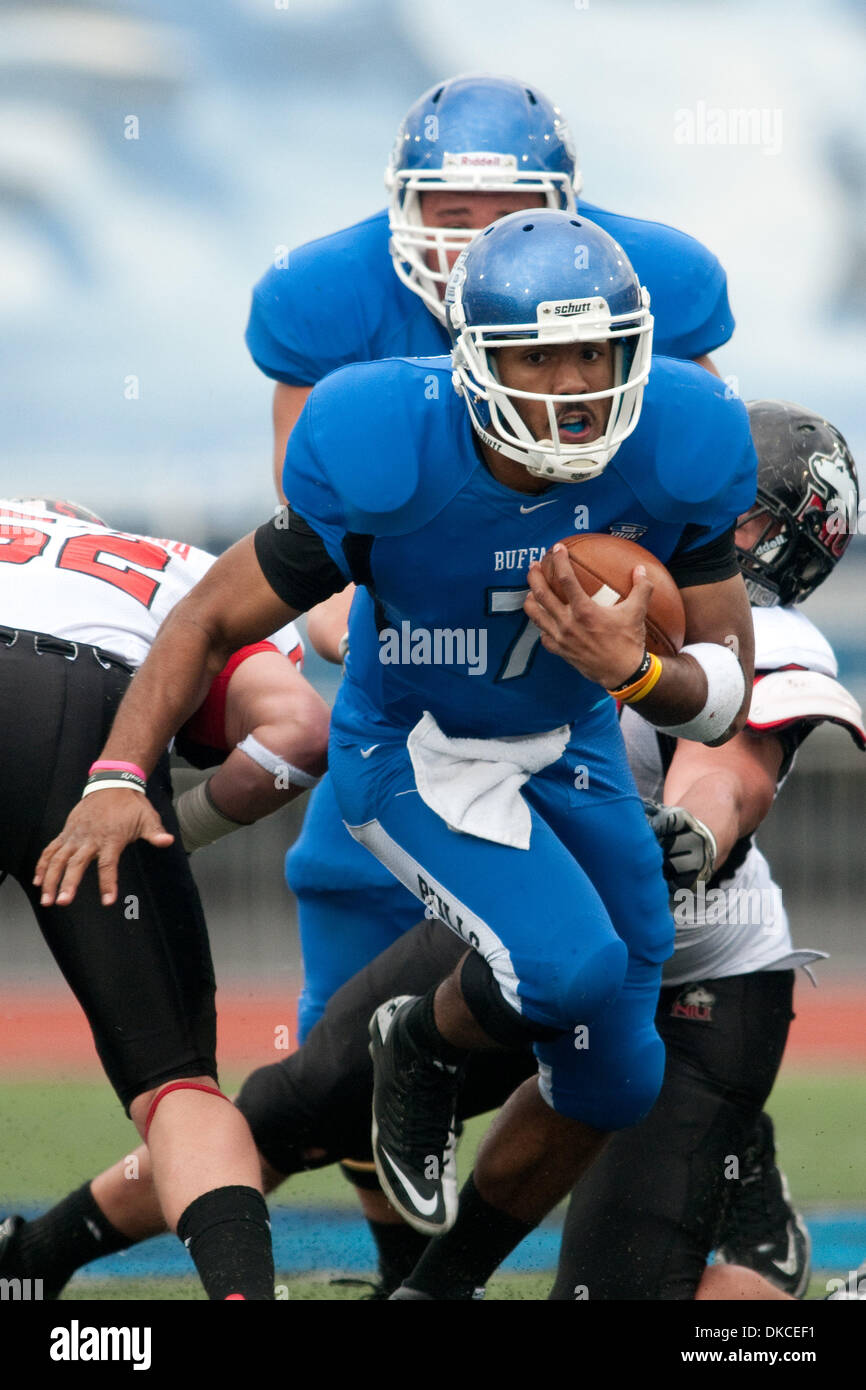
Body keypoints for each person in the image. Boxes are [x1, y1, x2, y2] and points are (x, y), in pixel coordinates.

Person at [33, 209, 756, 1289]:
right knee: (571, 966)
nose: (570, 381)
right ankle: (416, 1042)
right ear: (473, 358)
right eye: (537, 353)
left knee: (617, 1080)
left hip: (573, 743)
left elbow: (722, 692)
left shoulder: (683, 438)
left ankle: (430, 1285)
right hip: (419, 751)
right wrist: (114, 773)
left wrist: (635, 672)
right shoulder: (384, 442)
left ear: (634, 347)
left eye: (593, 350)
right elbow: (205, 619)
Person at [0, 497, 328, 1300]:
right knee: (177, 1084)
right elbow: (299, 731)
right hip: (81, 718)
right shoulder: (178, 564)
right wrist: (168, 830)